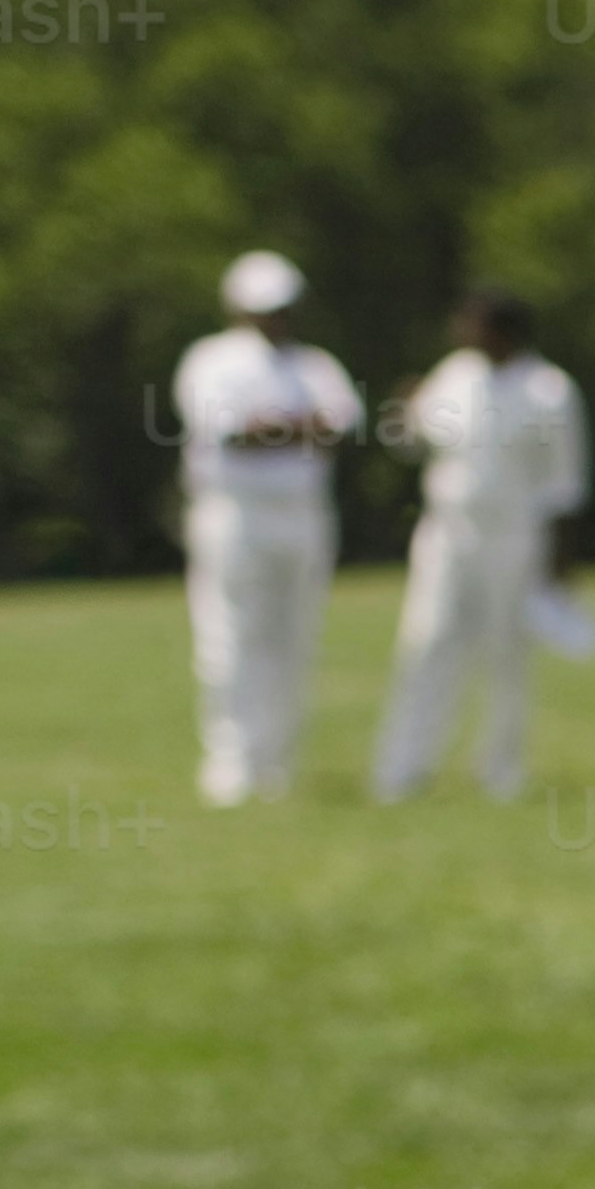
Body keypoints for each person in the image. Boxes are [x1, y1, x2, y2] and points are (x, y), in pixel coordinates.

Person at [370, 289, 591, 803]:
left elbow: (565, 485)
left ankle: (501, 771)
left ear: (505, 332)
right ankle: (403, 768)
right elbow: (408, 440)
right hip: (447, 533)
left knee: (506, 653)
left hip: (514, 537)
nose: (465, 336)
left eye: (475, 326)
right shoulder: (456, 374)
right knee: (426, 642)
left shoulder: (549, 390)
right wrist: (402, 410)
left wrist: (560, 562)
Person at [172, 249, 357, 805]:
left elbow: (340, 425)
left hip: (303, 517)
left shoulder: (315, 364)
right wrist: (299, 430)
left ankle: (276, 763)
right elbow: (231, 433)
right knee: (229, 637)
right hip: (236, 514)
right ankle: (232, 763)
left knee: (293, 639)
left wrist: (277, 429)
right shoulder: (211, 359)